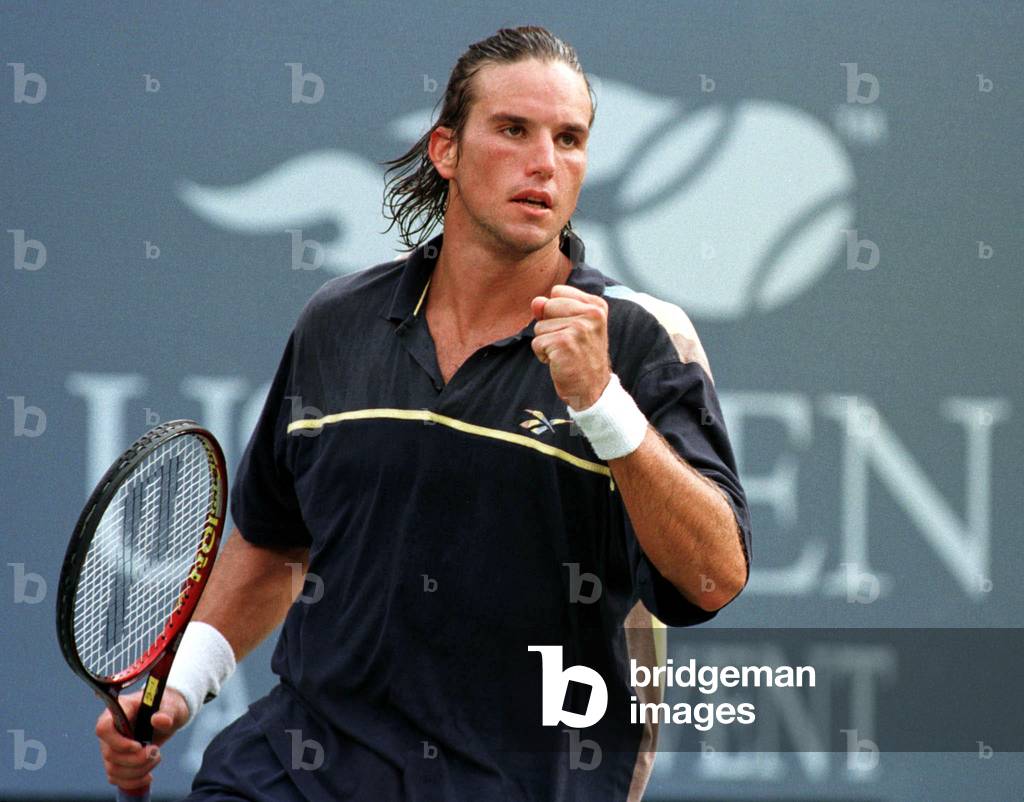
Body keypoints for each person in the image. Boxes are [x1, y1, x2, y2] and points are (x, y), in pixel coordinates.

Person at [95, 25, 751, 802]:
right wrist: (177, 688)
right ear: (446, 150)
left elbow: (713, 578)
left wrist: (602, 403)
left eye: (569, 139)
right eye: (513, 130)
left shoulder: (640, 340)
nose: (545, 162)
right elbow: (275, 543)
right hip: (296, 769)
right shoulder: (337, 322)